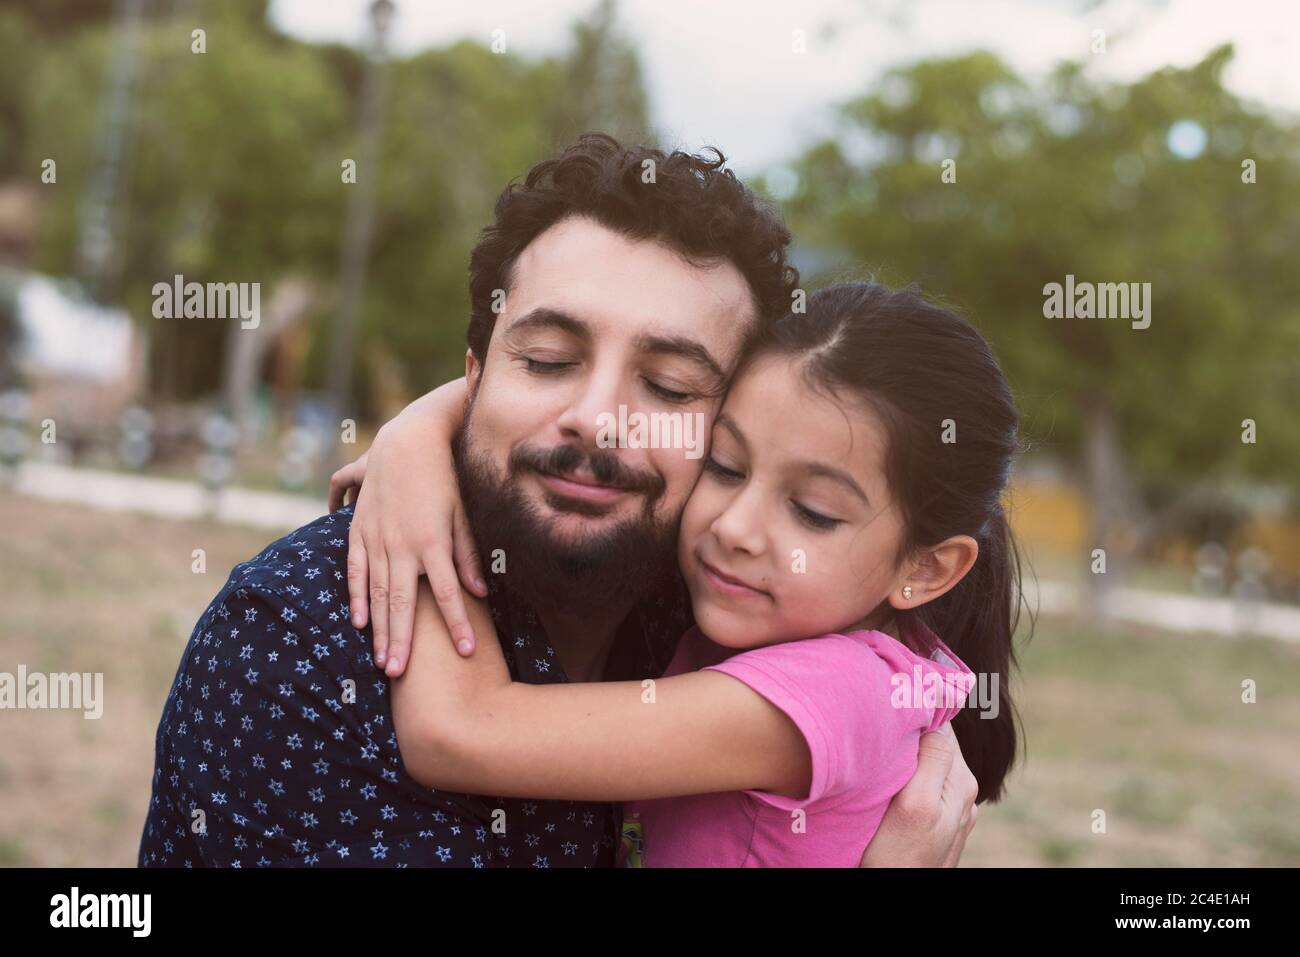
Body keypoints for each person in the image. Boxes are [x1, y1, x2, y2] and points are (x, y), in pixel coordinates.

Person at [139, 133, 979, 867]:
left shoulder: (703, 614)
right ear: (476, 374)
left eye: (668, 384)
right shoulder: (303, 638)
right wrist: (419, 434)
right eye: (544, 360)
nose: (596, 420)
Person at [355, 281, 1020, 866]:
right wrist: (423, 425)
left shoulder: (836, 689)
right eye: (725, 466)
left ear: (927, 568)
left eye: (814, 512)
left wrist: (421, 474)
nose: (733, 526)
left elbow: (461, 730)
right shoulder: (786, 621)